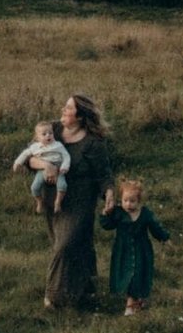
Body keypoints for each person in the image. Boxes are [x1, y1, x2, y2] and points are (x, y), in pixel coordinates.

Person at [42, 93, 115, 310]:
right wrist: (44, 165)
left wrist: (109, 194)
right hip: (53, 199)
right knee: (77, 245)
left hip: (81, 202)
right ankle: (86, 291)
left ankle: (53, 297)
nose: (63, 110)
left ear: (80, 116)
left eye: (68, 108)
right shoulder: (53, 130)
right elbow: (30, 155)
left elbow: (104, 174)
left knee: (64, 246)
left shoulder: (93, 142)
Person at [100, 176, 170, 315]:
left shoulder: (145, 214)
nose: (128, 204)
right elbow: (107, 225)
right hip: (123, 250)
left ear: (139, 201)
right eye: (125, 201)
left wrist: (165, 238)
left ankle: (133, 303)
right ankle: (133, 301)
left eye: (132, 201)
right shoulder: (119, 213)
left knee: (138, 273)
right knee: (127, 274)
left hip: (141, 250)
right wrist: (105, 214)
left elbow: (155, 227)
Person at [11, 117, 69, 213]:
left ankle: (58, 202)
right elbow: (25, 153)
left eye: (50, 133)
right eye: (44, 134)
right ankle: (39, 201)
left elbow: (66, 156)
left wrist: (64, 167)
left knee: (63, 185)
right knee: (34, 187)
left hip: (58, 168)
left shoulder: (58, 145)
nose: (48, 136)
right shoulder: (35, 147)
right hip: (42, 170)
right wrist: (18, 163)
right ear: (37, 137)